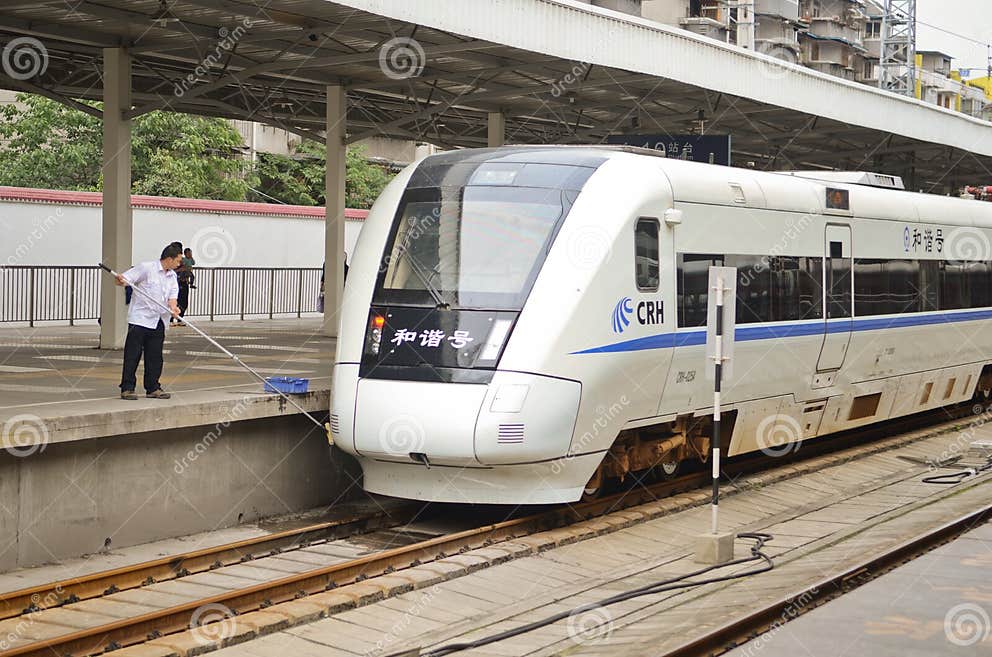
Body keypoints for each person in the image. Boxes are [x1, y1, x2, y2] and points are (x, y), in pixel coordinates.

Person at [116, 244, 182, 400]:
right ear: (169, 259)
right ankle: (127, 388)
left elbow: (172, 297)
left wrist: (174, 308)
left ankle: (153, 387)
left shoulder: (172, 276)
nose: (179, 264)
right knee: (133, 354)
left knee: (155, 356)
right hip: (140, 319)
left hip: (158, 320)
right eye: (178, 261)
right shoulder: (146, 268)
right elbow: (124, 280)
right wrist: (121, 280)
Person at [175, 248, 195, 326]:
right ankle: (172, 319)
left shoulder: (188, 260)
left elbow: (192, 264)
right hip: (179, 282)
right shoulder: (180, 261)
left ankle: (180, 319)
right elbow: (174, 270)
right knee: (178, 301)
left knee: (184, 302)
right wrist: (182, 269)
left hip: (185, 282)